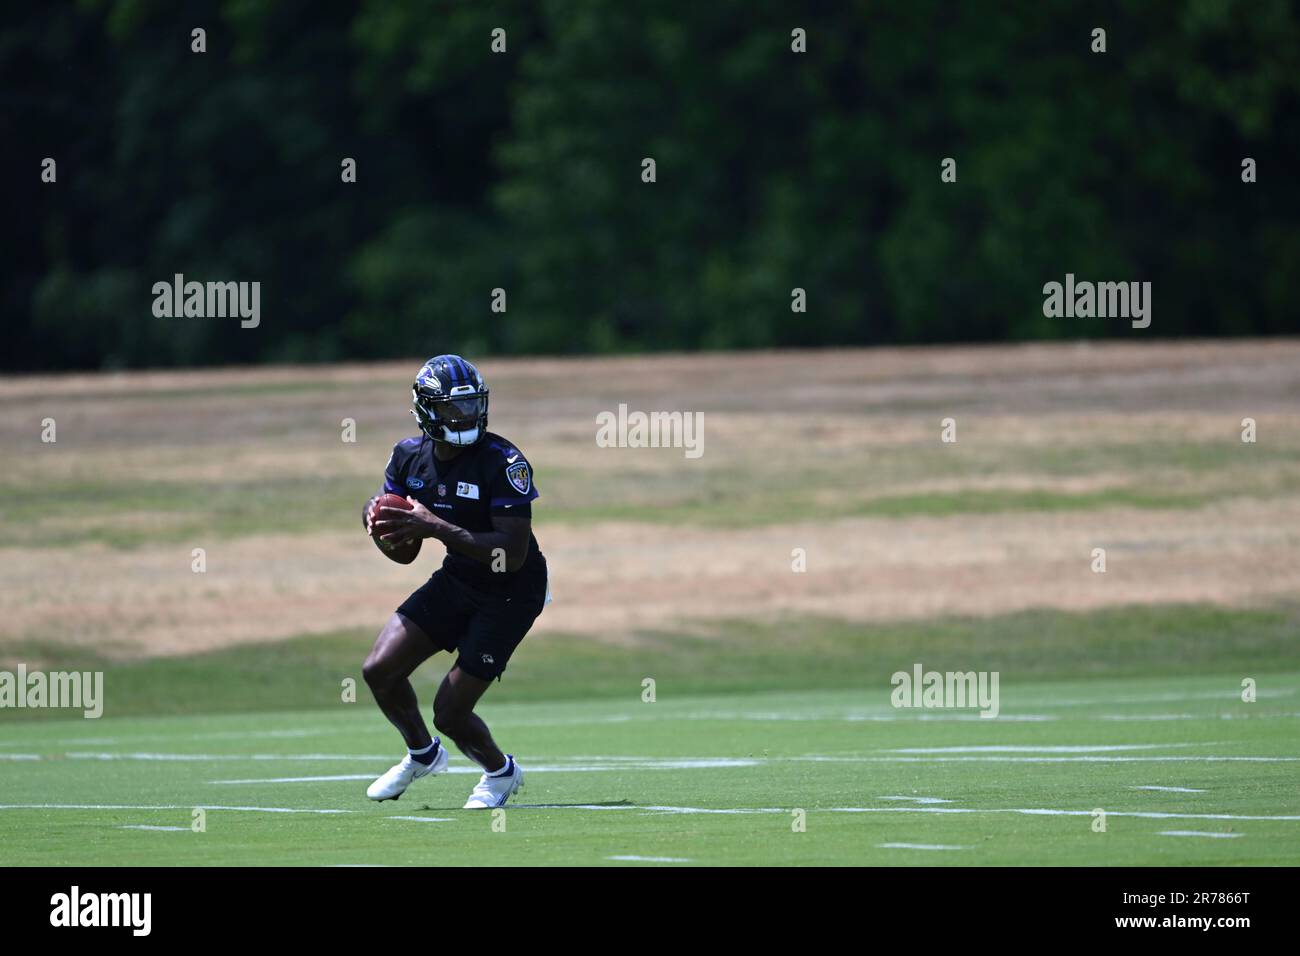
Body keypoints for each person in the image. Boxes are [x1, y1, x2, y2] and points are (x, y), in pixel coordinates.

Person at [361, 354, 548, 808]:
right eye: (452, 408)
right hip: (459, 577)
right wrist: (376, 521)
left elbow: (511, 552)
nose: (465, 416)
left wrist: (435, 527)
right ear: (427, 409)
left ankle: (500, 773)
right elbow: (405, 553)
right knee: (379, 671)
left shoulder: (503, 460)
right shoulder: (408, 457)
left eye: (471, 406)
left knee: (450, 711)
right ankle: (422, 754)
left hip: (511, 590)